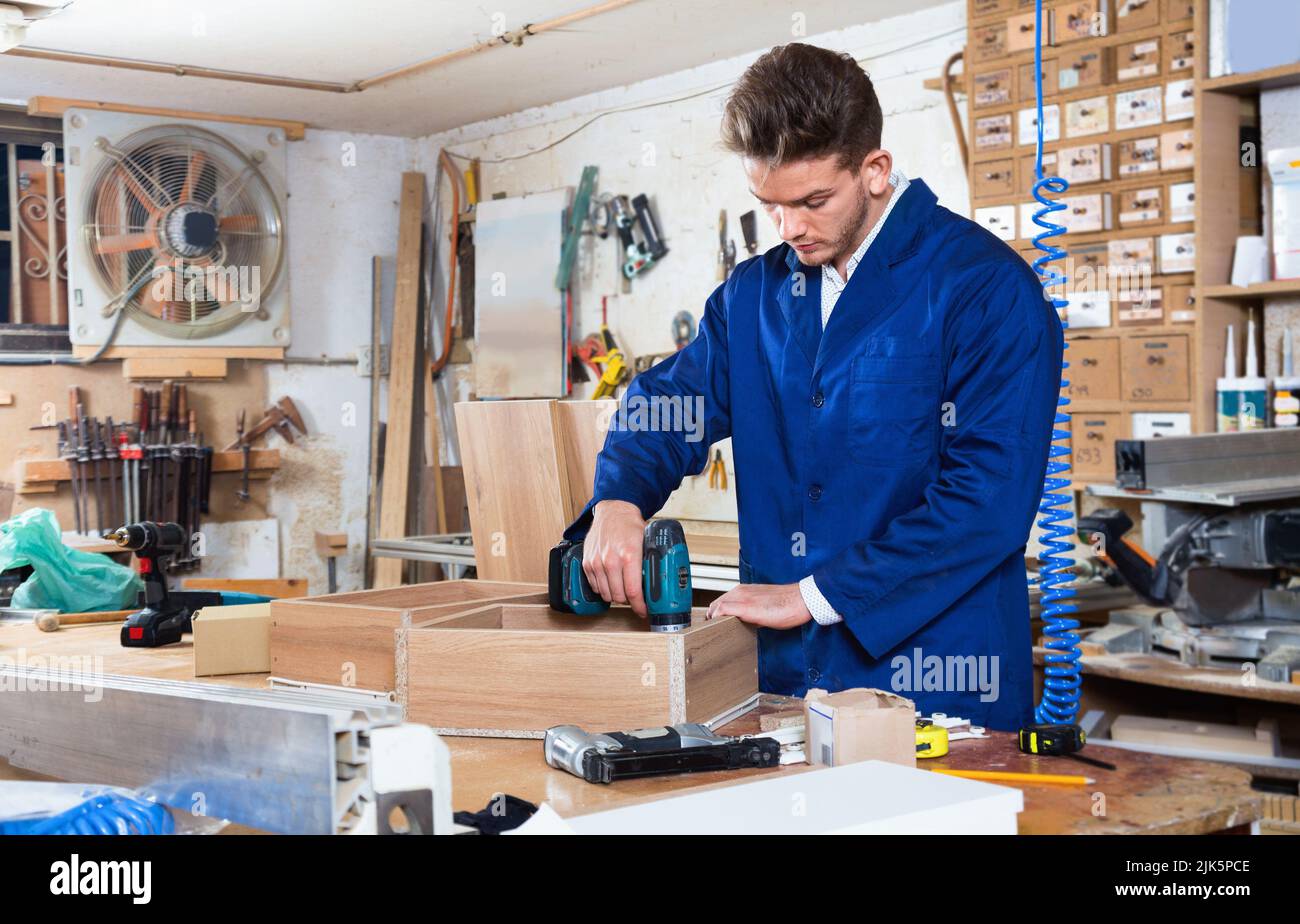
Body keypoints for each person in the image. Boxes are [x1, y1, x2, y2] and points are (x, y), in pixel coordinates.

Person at [564, 43, 1064, 731]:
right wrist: (618, 499)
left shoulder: (986, 289)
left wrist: (814, 594)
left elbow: (988, 502)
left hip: (938, 682)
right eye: (769, 206)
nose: (790, 227)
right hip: (784, 682)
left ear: (876, 170)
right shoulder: (752, 299)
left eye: (813, 201)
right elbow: (663, 405)